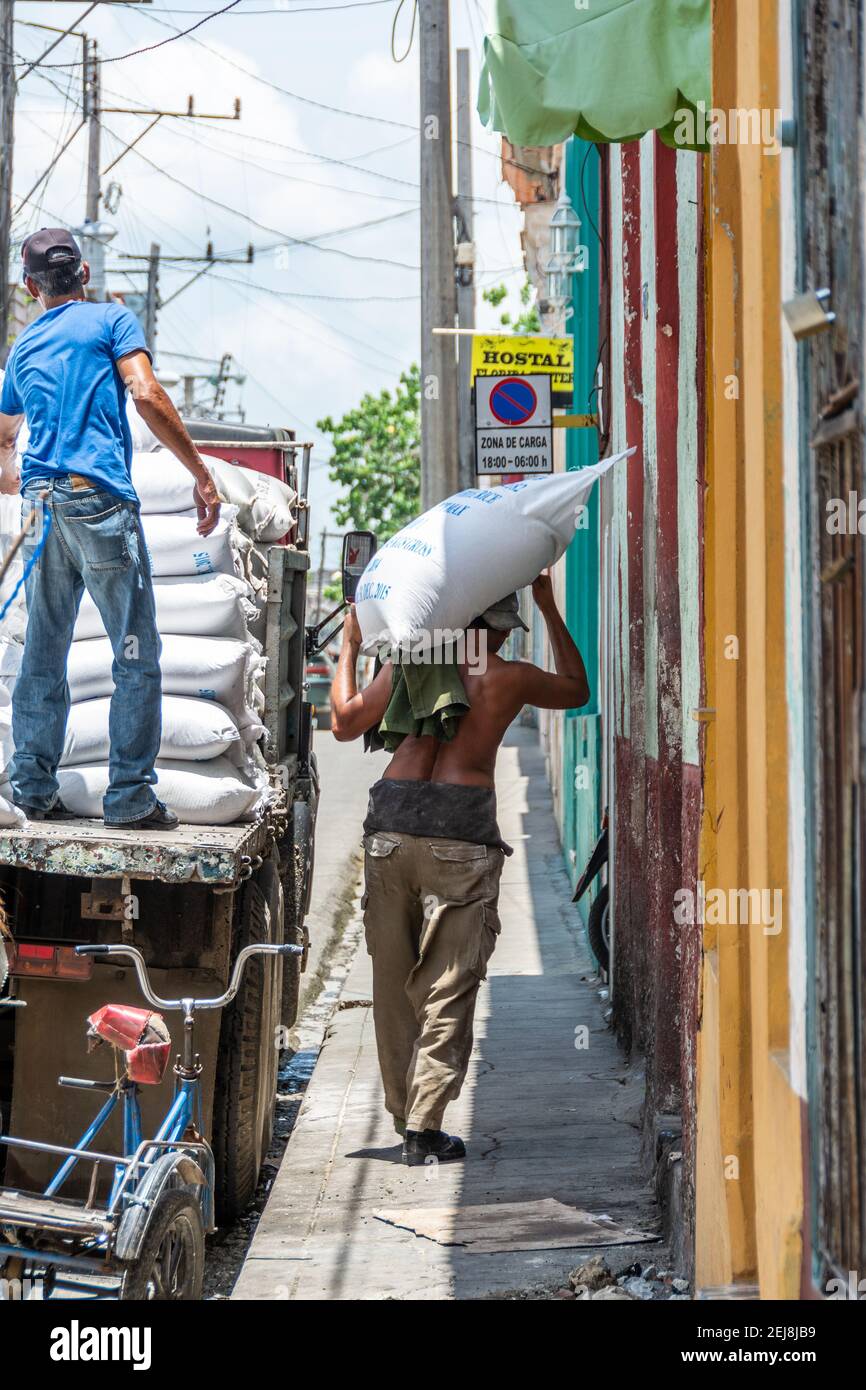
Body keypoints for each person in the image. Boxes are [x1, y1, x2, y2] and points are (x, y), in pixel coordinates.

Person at [331, 572, 589, 1165]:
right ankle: (424, 1126)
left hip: (392, 826)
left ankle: (405, 1118)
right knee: (450, 983)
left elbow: (344, 721)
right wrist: (549, 607)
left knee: (393, 985)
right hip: (461, 834)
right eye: (500, 629)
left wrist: (348, 642)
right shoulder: (507, 676)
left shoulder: (408, 665)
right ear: (486, 629)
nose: (500, 640)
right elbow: (576, 689)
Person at [0, 227, 221, 828]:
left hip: (42, 509)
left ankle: (32, 787)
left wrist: (29, 485)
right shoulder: (111, 322)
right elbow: (145, 393)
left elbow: (2, 440)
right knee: (134, 650)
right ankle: (128, 796)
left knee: (43, 650)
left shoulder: (22, 348)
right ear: (86, 275)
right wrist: (201, 474)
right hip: (99, 503)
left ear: (29, 286)